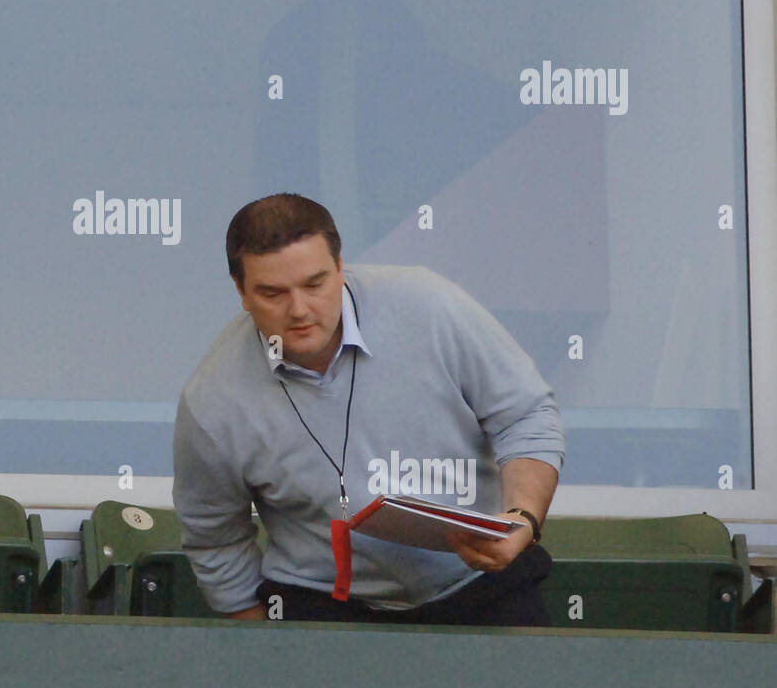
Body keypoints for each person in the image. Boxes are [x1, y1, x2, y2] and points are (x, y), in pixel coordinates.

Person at [171, 193, 565, 626]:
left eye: (315, 284)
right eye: (272, 293)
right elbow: (216, 541)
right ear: (241, 293)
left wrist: (522, 519)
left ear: (341, 268)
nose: (299, 310)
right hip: (321, 604)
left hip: (482, 583)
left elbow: (525, 416)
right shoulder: (212, 400)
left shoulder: (430, 307)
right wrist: (269, 652)